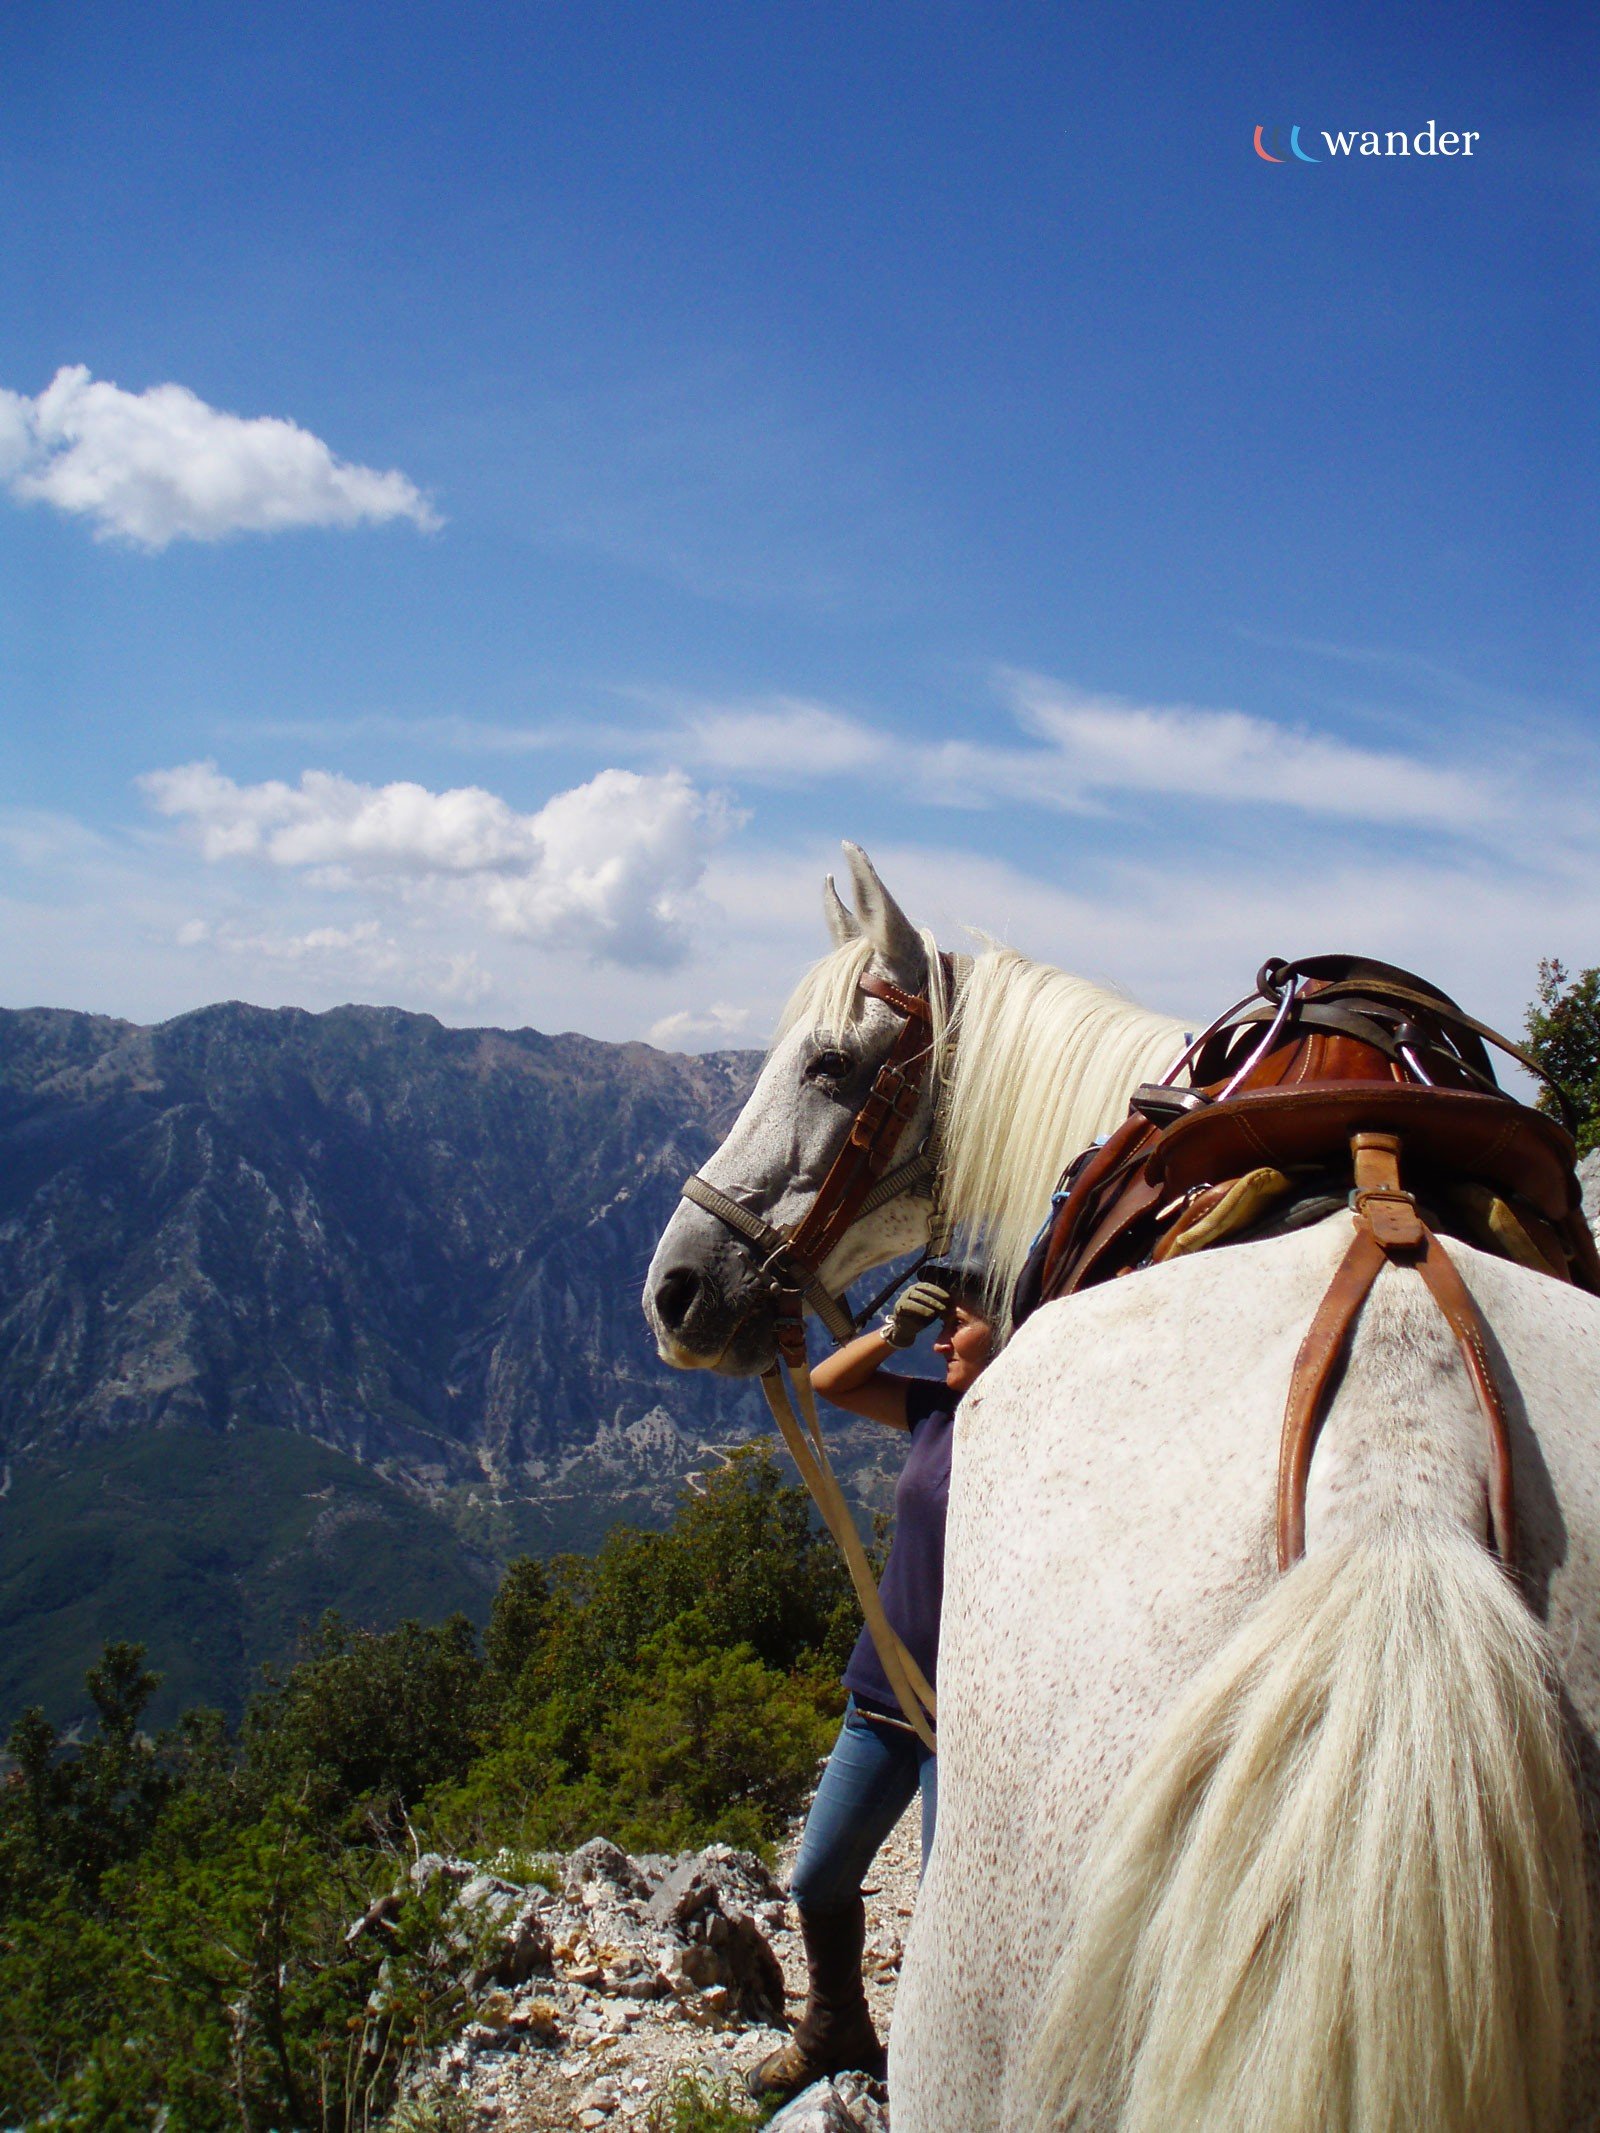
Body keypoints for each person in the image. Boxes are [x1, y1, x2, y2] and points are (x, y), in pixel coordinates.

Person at [746, 1264, 997, 2099]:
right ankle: (834, 2026)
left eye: (958, 1323)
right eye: (940, 1325)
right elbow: (829, 1381)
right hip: (883, 1692)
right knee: (818, 1877)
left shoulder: (1031, 1428)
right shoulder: (938, 1412)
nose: (942, 1339)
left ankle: (944, 2084)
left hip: (962, 1717)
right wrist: (891, 1330)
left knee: (941, 1916)